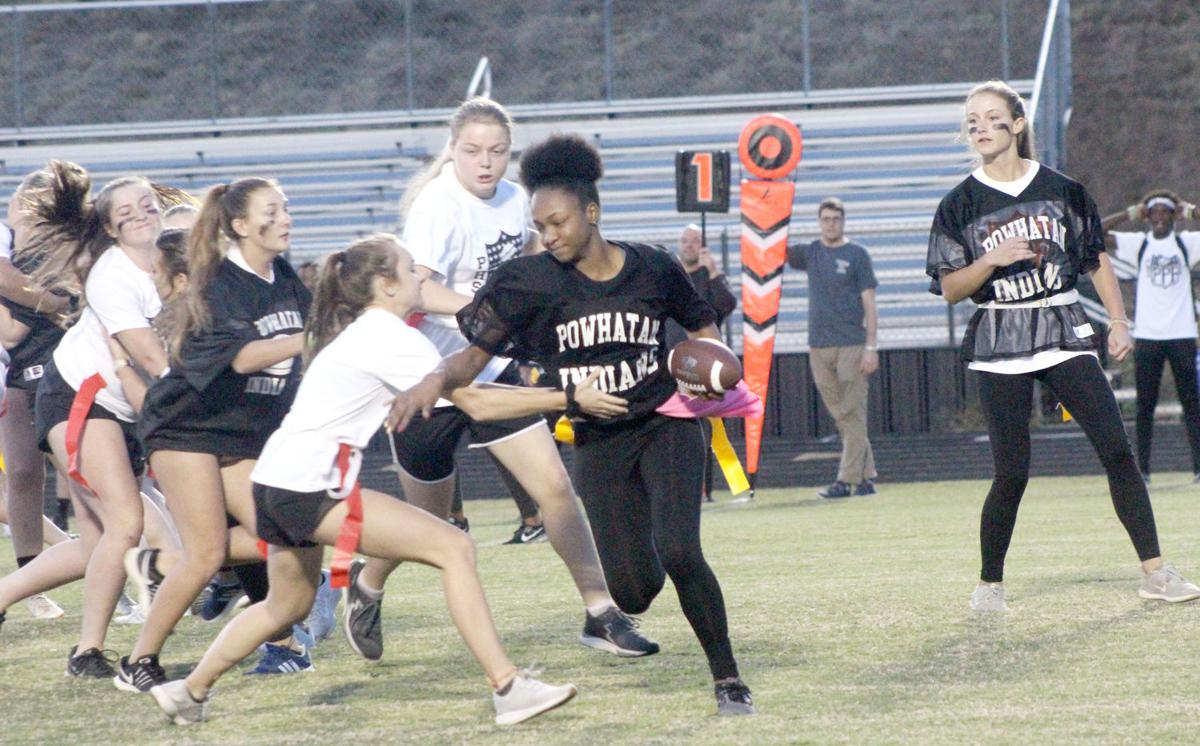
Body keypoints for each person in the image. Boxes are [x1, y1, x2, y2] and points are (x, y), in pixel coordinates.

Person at [150, 234, 580, 726]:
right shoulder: (385, 334)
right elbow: (476, 401)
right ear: (385, 284)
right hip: (307, 483)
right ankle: (508, 687)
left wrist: (550, 394)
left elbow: (460, 384)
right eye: (409, 268)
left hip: (279, 480)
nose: (420, 276)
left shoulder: (372, 331)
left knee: (286, 604)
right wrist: (565, 398)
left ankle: (189, 690)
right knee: (453, 547)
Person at [400, 134, 756, 716]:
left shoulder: (654, 267)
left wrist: (707, 370)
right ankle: (633, 589)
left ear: (591, 212)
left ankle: (728, 680)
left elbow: (703, 331)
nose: (550, 235)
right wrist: (426, 384)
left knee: (680, 550)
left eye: (559, 222)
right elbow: (467, 362)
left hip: (664, 422)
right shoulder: (526, 283)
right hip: (597, 440)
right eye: (540, 226)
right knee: (633, 589)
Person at [349, 97, 655, 663]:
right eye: (472, 151)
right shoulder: (439, 205)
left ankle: (600, 611)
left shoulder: (517, 199)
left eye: (497, 151)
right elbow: (417, 291)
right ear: (453, 150)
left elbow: (536, 260)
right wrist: (487, 312)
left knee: (556, 489)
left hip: (489, 366)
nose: (485, 162)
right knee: (427, 520)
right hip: (427, 374)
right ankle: (366, 582)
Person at [925, 80, 1200, 612]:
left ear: (1017, 123)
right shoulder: (958, 204)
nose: (979, 127)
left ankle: (1156, 573)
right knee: (1012, 473)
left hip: (1061, 328)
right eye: (972, 120)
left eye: (990, 116)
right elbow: (953, 289)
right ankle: (989, 585)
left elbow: (1094, 259)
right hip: (999, 333)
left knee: (1117, 451)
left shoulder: (1062, 190)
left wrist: (1119, 321)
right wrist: (992, 259)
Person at [122, 177, 312, 691]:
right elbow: (247, 357)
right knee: (205, 555)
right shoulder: (220, 281)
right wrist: (310, 336)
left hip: (240, 434)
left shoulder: (286, 277)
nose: (285, 218)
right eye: (272, 211)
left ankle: (279, 643)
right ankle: (139, 660)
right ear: (241, 225)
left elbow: (309, 347)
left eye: (287, 208)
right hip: (185, 425)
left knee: (288, 533)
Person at [0, 172, 170, 678]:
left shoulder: (170, 263)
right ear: (111, 229)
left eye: (147, 204)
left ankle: (60, 632)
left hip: (118, 405)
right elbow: (150, 357)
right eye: (126, 212)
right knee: (127, 523)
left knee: (100, 540)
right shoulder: (115, 274)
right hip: (81, 396)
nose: (141, 215)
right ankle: (103, 650)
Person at [1102, 191, 1200, 483]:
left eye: (1165, 212)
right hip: (1147, 336)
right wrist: (1131, 213)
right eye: (1153, 212)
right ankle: (1142, 471)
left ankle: (1198, 468)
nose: (1159, 217)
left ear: (1173, 216)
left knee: (1191, 405)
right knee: (1145, 407)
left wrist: (1191, 210)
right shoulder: (1140, 245)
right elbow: (1098, 232)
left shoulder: (1186, 243)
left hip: (1182, 334)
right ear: (1148, 216)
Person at [787, 197, 880, 498]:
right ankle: (866, 478)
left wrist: (871, 346)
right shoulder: (811, 252)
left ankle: (845, 480)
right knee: (842, 413)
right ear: (819, 222)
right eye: (825, 219)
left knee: (852, 410)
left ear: (843, 221)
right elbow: (775, 250)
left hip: (851, 341)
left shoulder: (857, 254)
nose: (830, 224)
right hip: (818, 343)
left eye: (835, 219)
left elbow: (869, 301)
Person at [667, 224, 737, 501]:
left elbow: (727, 305)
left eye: (695, 241)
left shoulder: (709, 279)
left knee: (704, 429)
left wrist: (715, 271)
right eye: (685, 240)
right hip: (671, 359)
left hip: (701, 364)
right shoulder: (673, 279)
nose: (690, 245)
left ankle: (703, 488)